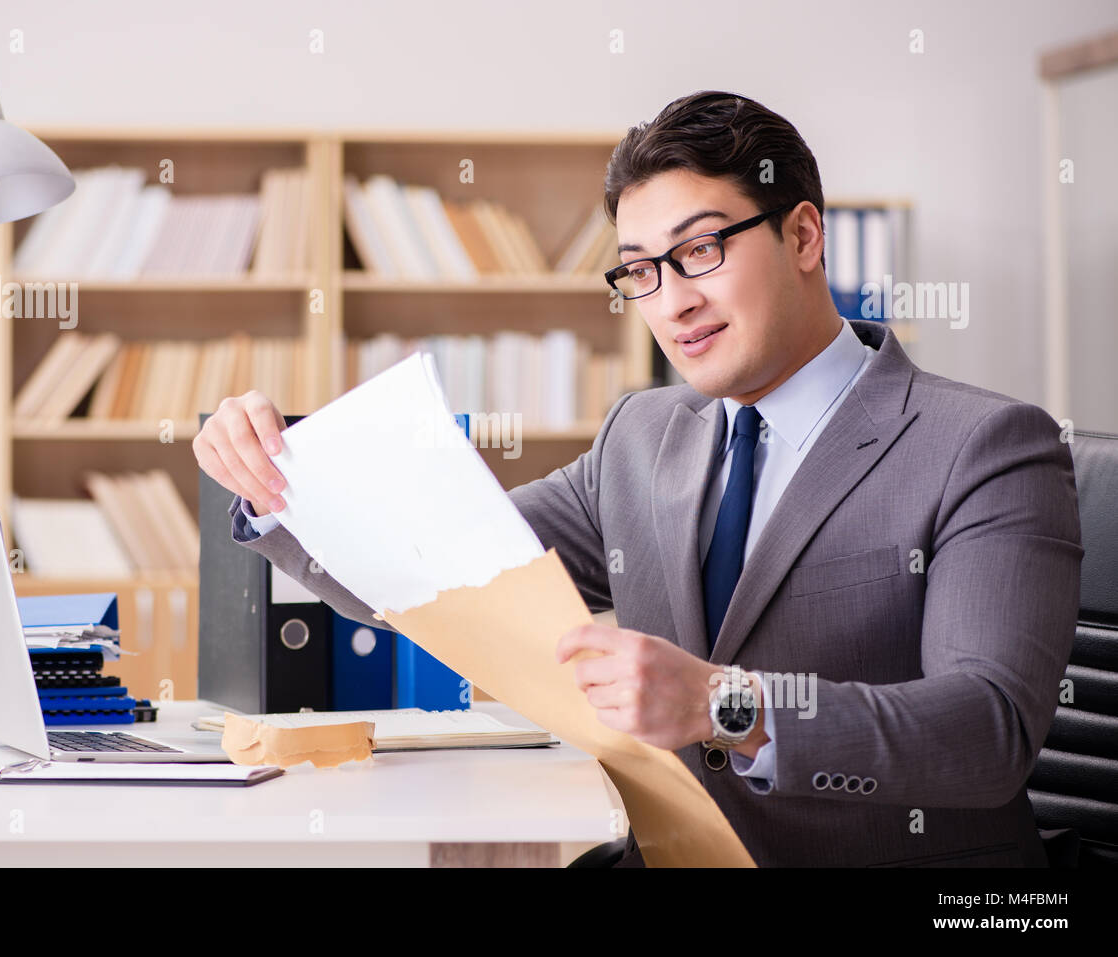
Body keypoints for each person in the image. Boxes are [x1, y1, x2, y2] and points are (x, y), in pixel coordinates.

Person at [192, 91, 1083, 867]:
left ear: (804, 234)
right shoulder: (642, 437)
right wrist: (278, 481)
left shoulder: (985, 445)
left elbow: (986, 728)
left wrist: (722, 703)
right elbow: (436, 572)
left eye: (700, 252)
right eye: (642, 272)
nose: (672, 303)